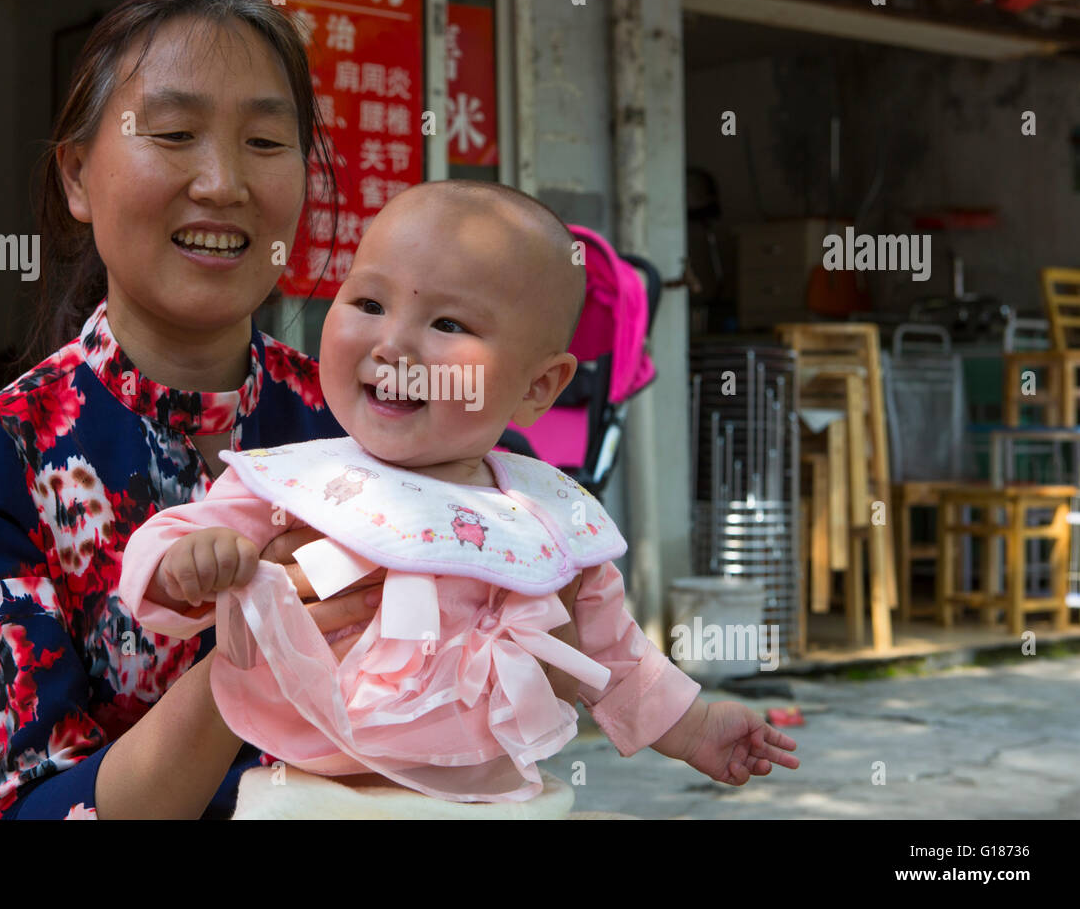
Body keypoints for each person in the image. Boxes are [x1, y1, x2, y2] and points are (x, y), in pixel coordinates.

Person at [118, 180, 800, 807]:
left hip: (494, 797)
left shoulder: (546, 515)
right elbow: (171, 544)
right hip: (317, 794)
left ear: (538, 386)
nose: (394, 343)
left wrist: (698, 726)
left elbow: (614, 650)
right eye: (368, 303)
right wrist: (192, 561)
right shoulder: (294, 480)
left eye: (448, 325)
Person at [0, 0, 385, 820]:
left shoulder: (369, 426)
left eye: (265, 140)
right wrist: (250, 654)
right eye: (176, 133)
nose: (223, 183)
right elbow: (22, 809)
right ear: (78, 177)